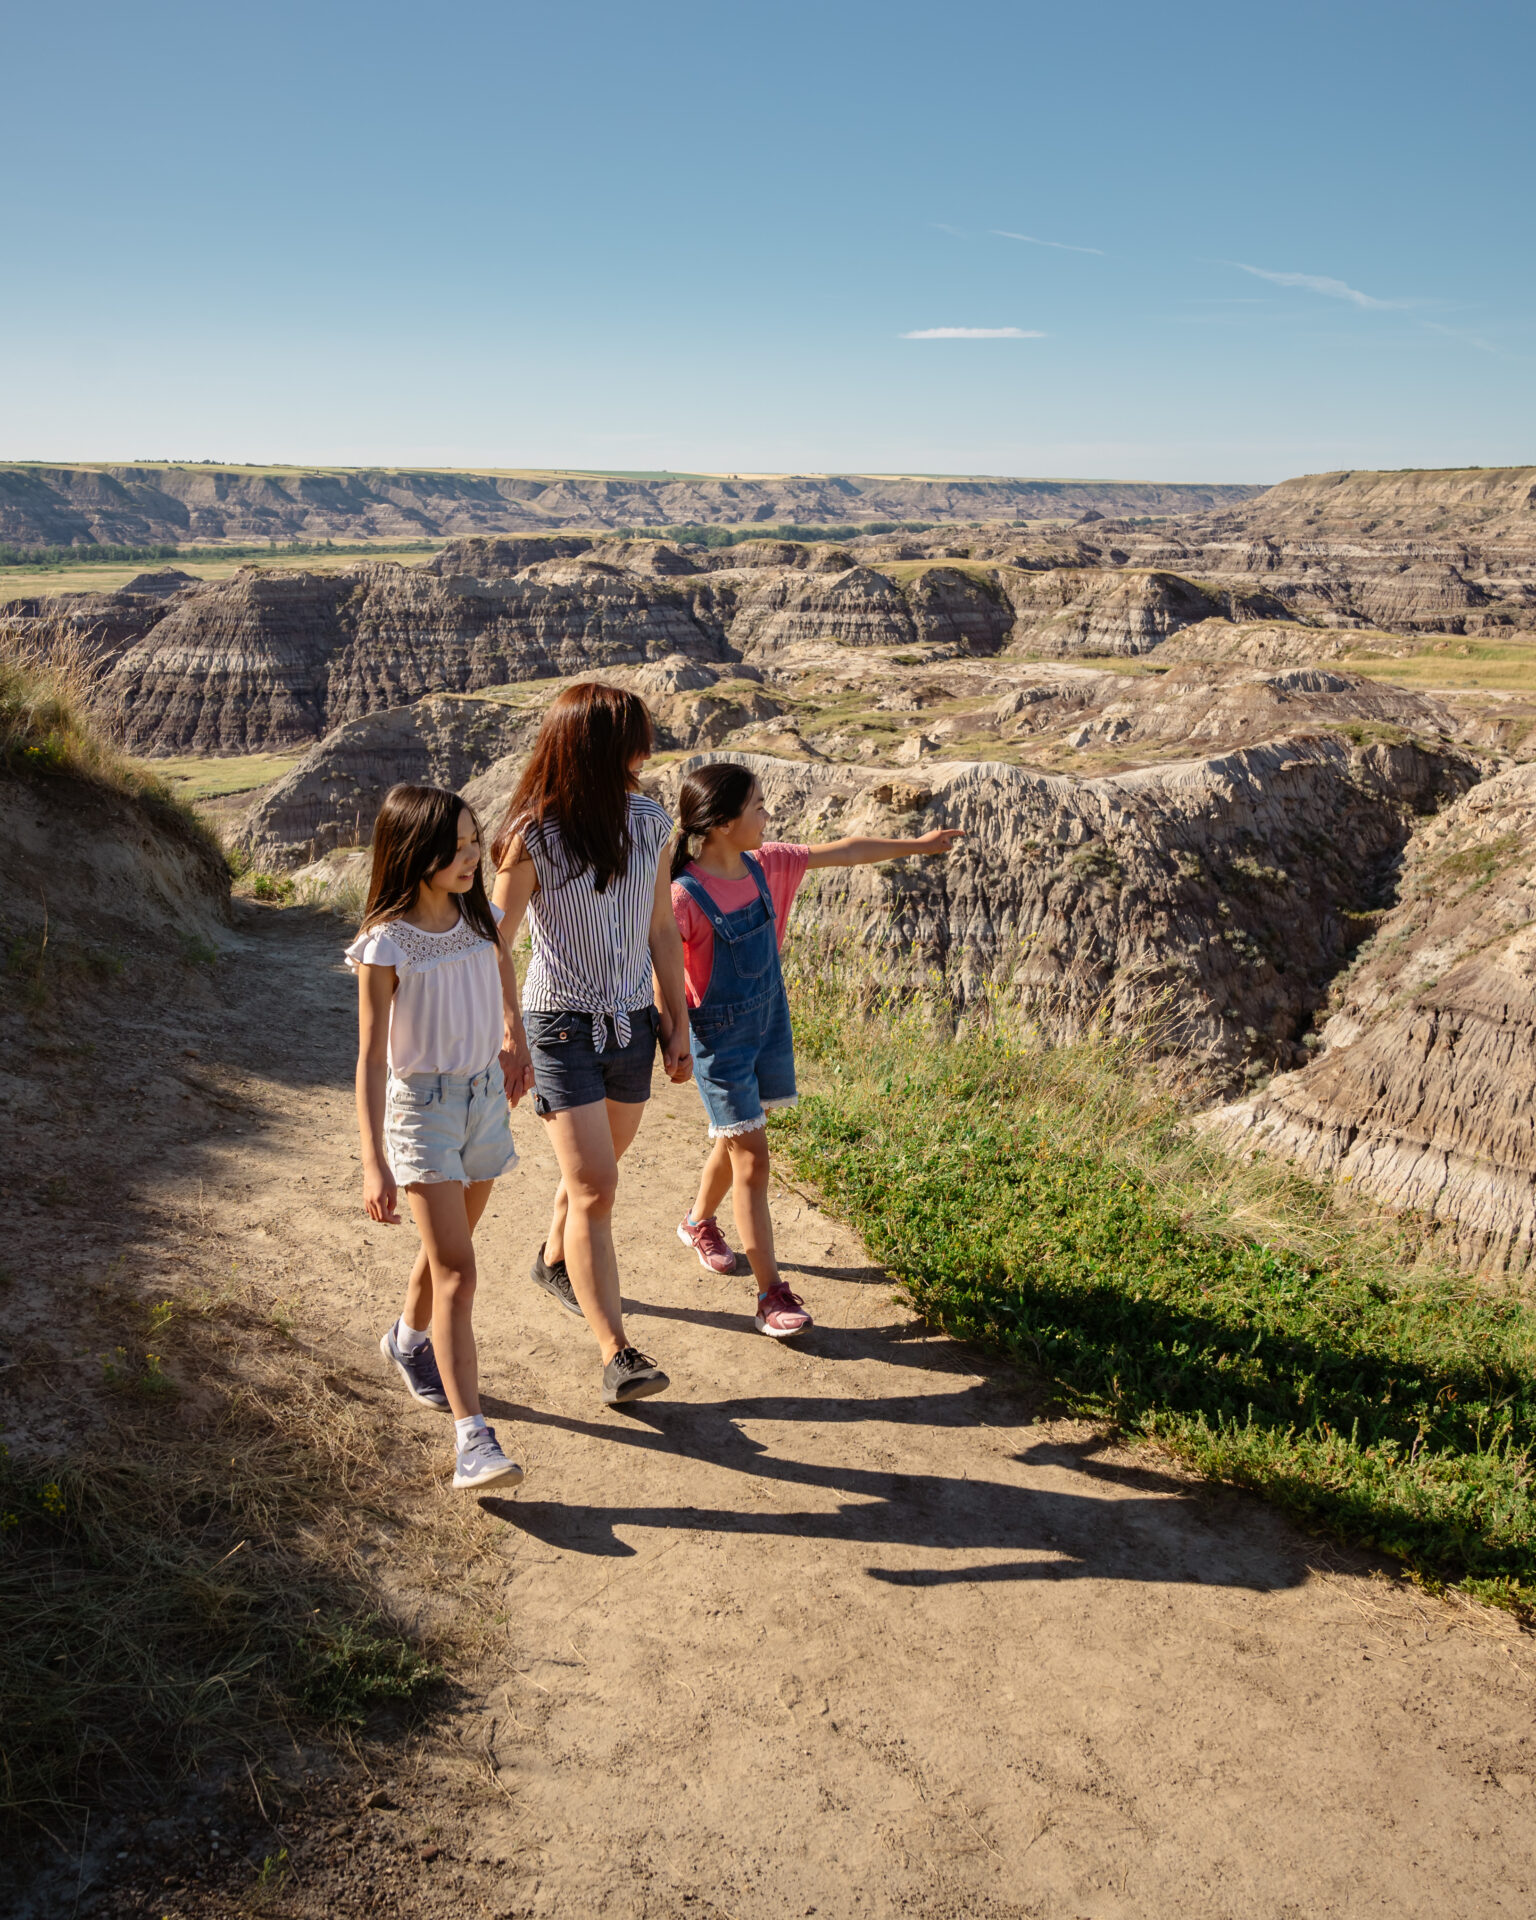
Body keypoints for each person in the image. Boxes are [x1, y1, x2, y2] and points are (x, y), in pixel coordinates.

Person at [671, 760, 962, 1335]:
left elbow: (848, 850)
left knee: (739, 1137)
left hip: (768, 1026)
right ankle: (770, 1295)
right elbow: (659, 965)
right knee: (752, 1158)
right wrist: (673, 1034)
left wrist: (920, 845)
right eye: (758, 807)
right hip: (720, 1043)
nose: (768, 816)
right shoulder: (683, 896)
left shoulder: (766, 865)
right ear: (725, 823)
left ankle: (698, 1220)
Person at [491, 683, 692, 1406]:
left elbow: (661, 929)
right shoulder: (533, 836)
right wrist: (511, 1035)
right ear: (603, 747)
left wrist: (677, 1021)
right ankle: (618, 1353)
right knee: (596, 1187)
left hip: (632, 1023)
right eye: (638, 737)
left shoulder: (650, 823)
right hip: (561, 1026)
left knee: (591, 1177)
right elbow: (497, 941)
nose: (649, 750)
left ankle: (552, 1262)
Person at [347, 784, 534, 1491]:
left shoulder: (480, 916)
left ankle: (406, 1340)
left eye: (471, 842)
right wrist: (374, 1162)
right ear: (412, 850)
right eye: (453, 847)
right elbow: (368, 1058)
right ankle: (474, 1441)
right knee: (458, 1269)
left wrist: (513, 1033)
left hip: (485, 1099)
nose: (469, 856)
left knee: (447, 1250)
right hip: (421, 1113)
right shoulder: (385, 944)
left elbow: (502, 961)